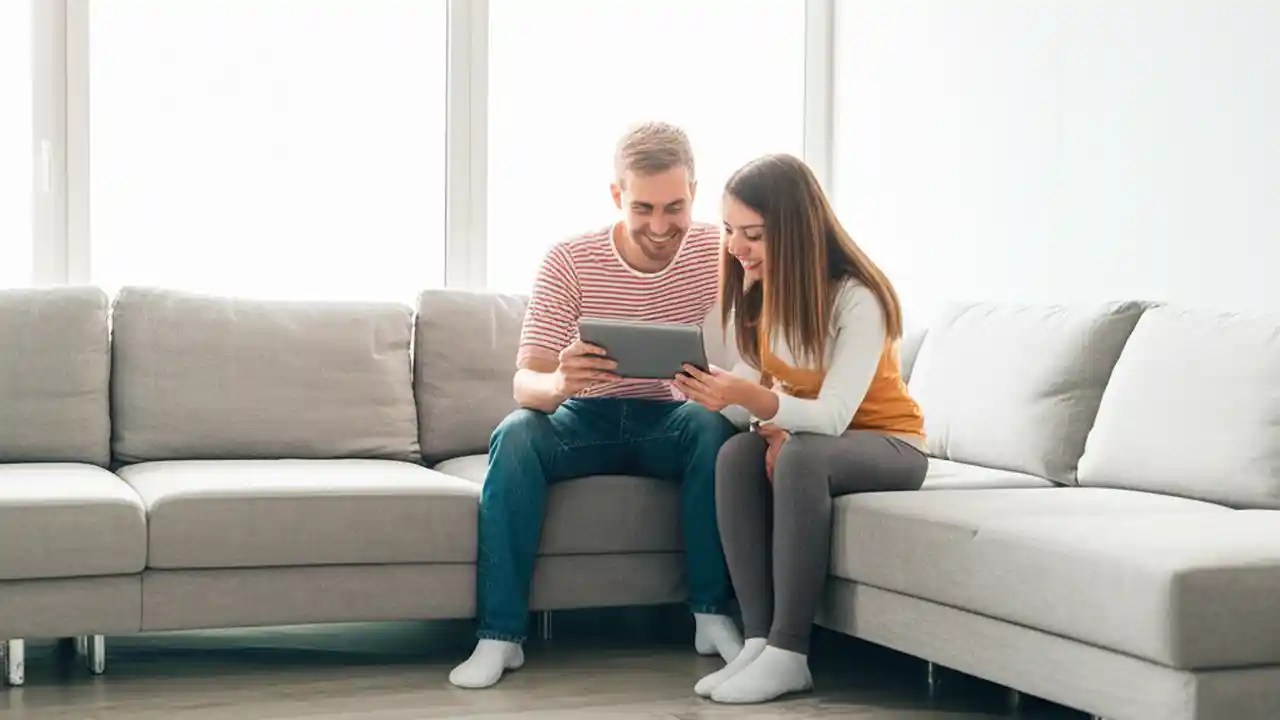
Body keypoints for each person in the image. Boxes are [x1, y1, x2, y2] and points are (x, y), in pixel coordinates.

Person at [448, 122, 744, 689]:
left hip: (671, 420)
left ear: (694, 193)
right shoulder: (570, 259)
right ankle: (500, 636)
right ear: (616, 196)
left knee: (713, 429)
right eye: (643, 208)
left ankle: (711, 615)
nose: (661, 227)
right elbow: (525, 383)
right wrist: (561, 381)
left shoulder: (718, 251)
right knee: (516, 433)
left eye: (675, 207)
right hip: (583, 419)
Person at [674, 154, 929, 704]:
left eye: (753, 235)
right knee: (735, 455)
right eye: (729, 230)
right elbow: (755, 392)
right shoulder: (765, 291)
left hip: (891, 445)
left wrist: (756, 405)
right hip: (816, 444)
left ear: (794, 232)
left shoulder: (857, 297)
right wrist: (707, 390)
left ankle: (790, 652)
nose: (735, 247)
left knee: (802, 457)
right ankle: (758, 642)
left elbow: (833, 415)